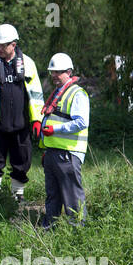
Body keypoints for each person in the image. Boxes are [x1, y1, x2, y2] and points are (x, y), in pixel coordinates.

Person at [0, 23, 44, 203]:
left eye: (4, 45)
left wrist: (37, 119)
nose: (0, 48)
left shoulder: (28, 63)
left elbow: (36, 94)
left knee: (22, 161)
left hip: (22, 124)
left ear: (14, 44)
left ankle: (17, 197)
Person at [39, 52, 89, 227]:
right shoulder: (59, 92)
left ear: (68, 72)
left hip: (68, 153)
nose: (53, 75)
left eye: (58, 72)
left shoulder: (77, 94)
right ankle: (49, 230)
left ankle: (79, 232)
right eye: (52, 72)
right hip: (54, 153)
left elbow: (82, 122)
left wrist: (55, 130)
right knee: (53, 195)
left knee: (72, 196)